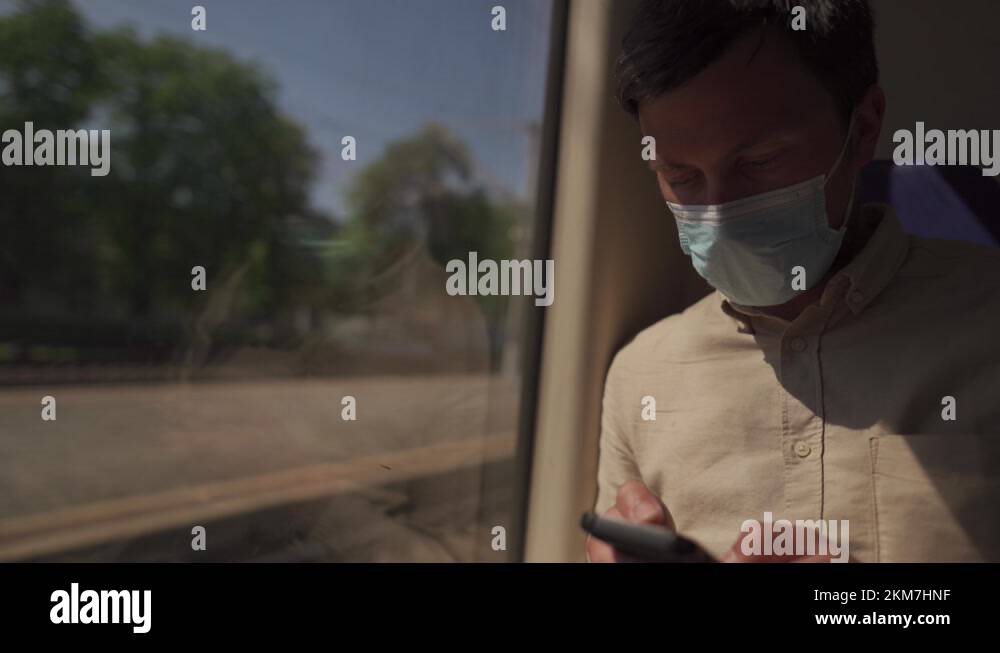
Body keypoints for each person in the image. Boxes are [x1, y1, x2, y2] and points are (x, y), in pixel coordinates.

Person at [588, 0, 1000, 563]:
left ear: (864, 131)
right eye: (678, 174)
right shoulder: (641, 376)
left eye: (759, 159)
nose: (717, 211)